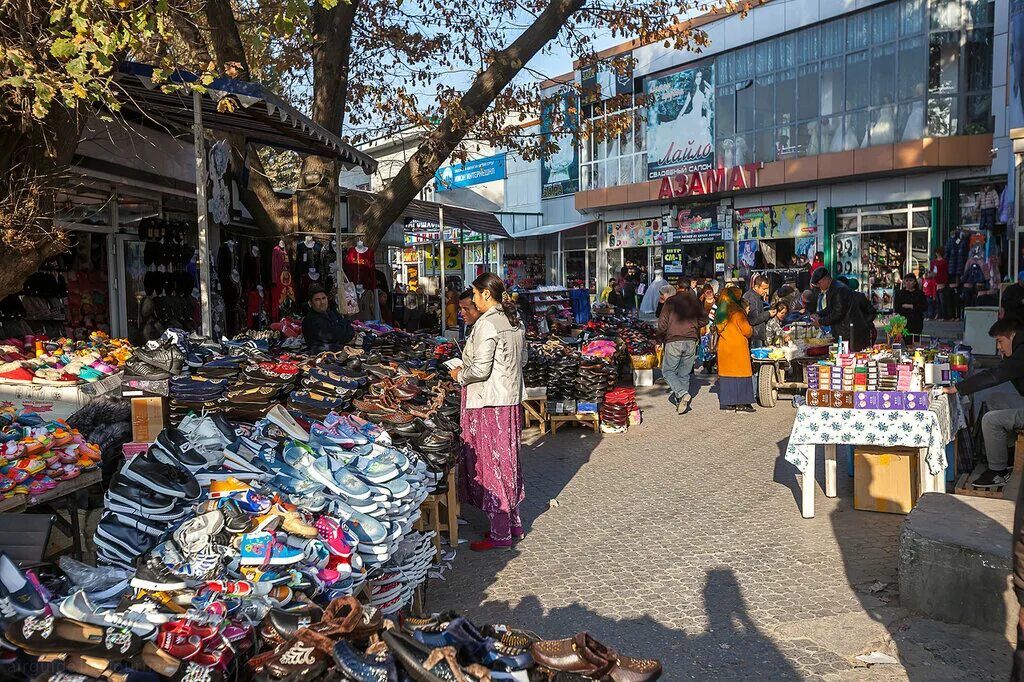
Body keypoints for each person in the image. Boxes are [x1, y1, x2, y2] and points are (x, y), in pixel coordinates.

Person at [452, 273, 528, 551]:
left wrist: (460, 374)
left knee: (491, 464)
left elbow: (481, 369)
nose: (471, 299)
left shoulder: (487, 324)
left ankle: (500, 533)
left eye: (474, 294)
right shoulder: (514, 320)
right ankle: (513, 523)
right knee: (508, 461)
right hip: (508, 400)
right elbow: (524, 359)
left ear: (486, 294)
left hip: (488, 403)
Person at [943, 317, 1024, 489]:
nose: (999, 347)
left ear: (1012, 335)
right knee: (994, 399)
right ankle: (1007, 454)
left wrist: (957, 388)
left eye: (1000, 341)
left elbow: (995, 375)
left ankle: (998, 472)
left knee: (990, 420)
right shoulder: (1018, 350)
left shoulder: (1022, 352)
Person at [656, 284, 705, 414]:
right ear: (688, 288)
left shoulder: (670, 302)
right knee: (684, 373)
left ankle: (682, 393)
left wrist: (659, 339)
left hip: (674, 339)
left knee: (668, 371)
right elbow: (705, 319)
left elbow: (662, 323)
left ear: (677, 287)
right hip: (691, 340)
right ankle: (681, 403)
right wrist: (694, 325)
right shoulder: (695, 301)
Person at [714, 286, 755, 413]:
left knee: (727, 375)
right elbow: (747, 330)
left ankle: (728, 403)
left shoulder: (720, 312)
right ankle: (742, 403)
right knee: (742, 374)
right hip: (738, 349)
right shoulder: (737, 311)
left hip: (724, 348)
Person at [811, 267, 871, 351]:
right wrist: (819, 314)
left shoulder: (838, 290)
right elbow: (830, 308)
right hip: (844, 331)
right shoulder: (832, 288)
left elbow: (838, 313)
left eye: (819, 284)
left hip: (850, 332)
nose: (819, 287)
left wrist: (820, 322)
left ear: (825, 279)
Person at [303, 285, 354, 354]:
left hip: (339, 353)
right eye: (317, 300)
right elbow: (333, 336)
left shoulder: (331, 313)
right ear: (310, 303)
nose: (322, 302)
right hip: (322, 358)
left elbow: (350, 328)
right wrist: (343, 331)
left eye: (324, 298)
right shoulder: (310, 320)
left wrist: (343, 331)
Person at [743, 275, 771, 348]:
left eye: (767, 289)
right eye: (764, 289)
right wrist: (768, 314)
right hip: (754, 336)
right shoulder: (752, 297)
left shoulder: (757, 296)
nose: (766, 291)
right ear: (756, 287)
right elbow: (753, 319)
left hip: (756, 335)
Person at [931, 247, 950, 320]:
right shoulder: (934, 262)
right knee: (938, 301)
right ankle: (940, 314)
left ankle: (943, 315)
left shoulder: (943, 262)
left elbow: (944, 272)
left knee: (942, 301)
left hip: (941, 282)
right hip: (937, 282)